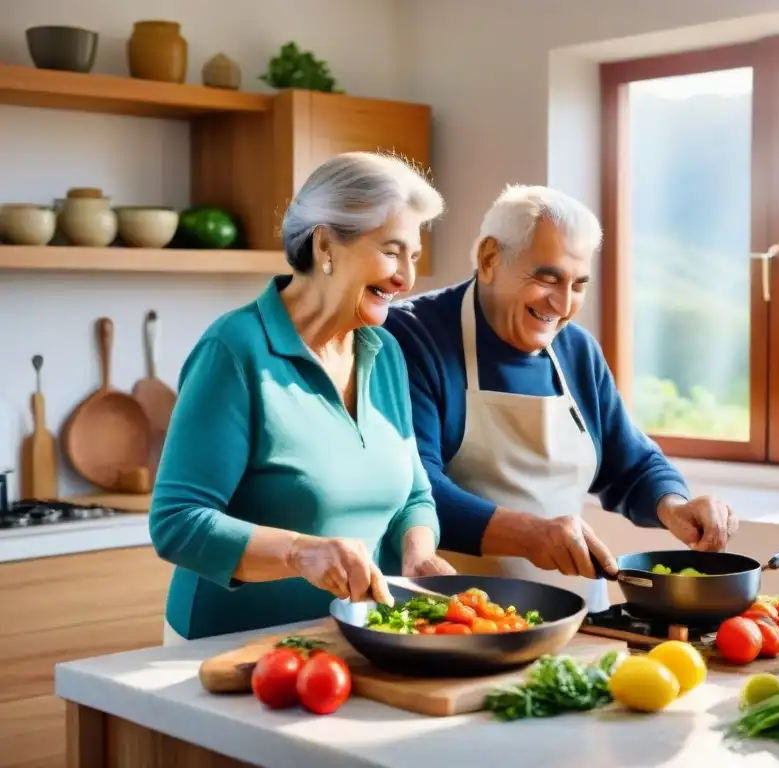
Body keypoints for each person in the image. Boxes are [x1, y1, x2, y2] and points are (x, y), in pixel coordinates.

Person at [384, 185, 737, 612]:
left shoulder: (576, 350)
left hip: (580, 618)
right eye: (547, 278)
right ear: (490, 259)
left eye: (578, 284)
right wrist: (532, 534)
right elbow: (413, 487)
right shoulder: (410, 338)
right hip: (457, 619)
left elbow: (632, 464)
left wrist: (675, 507)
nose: (563, 304)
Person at [150, 152, 455, 643]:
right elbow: (177, 523)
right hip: (231, 648)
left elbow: (414, 494)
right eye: (392, 251)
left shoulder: (386, 352)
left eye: (413, 256)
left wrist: (417, 551)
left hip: (356, 639)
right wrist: (299, 552)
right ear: (325, 245)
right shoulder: (235, 350)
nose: (406, 277)